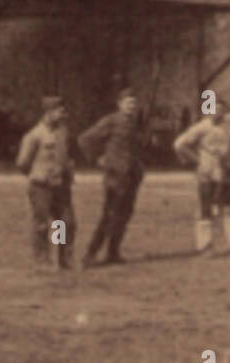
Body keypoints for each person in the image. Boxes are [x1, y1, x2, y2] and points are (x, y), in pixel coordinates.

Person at [78, 87, 146, 266]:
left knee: (125, 215)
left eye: (134, 103)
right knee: (109, 215)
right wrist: (98, 159)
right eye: (128, 103)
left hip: (131, 176)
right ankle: (90, 253)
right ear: (119, 104)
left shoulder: (135, 123)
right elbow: (85, 139)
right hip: (115, 177)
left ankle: (113, 252)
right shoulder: (111, 121)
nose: (131, 106)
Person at [16, 96, 76, 269]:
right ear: (48, 112)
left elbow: (67, 156)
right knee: (41, 224)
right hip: (41, 186)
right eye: (60, 111)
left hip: (61, 186)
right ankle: (42, 260)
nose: (63, 114)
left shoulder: (63, 133)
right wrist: (39, 175)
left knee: (64, 222)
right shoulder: (35, 135)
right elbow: (22, 163)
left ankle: (63, 258)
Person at [174, 109, 230, 256]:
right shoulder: (201, 127)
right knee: (205, 208)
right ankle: (205, 246)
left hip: (225, 173)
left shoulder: (227, 127)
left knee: (228, 207)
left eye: (221, 111)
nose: (218, 114)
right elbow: (179, 144)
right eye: (215, 110)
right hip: (207, 172)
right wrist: (197, 160)